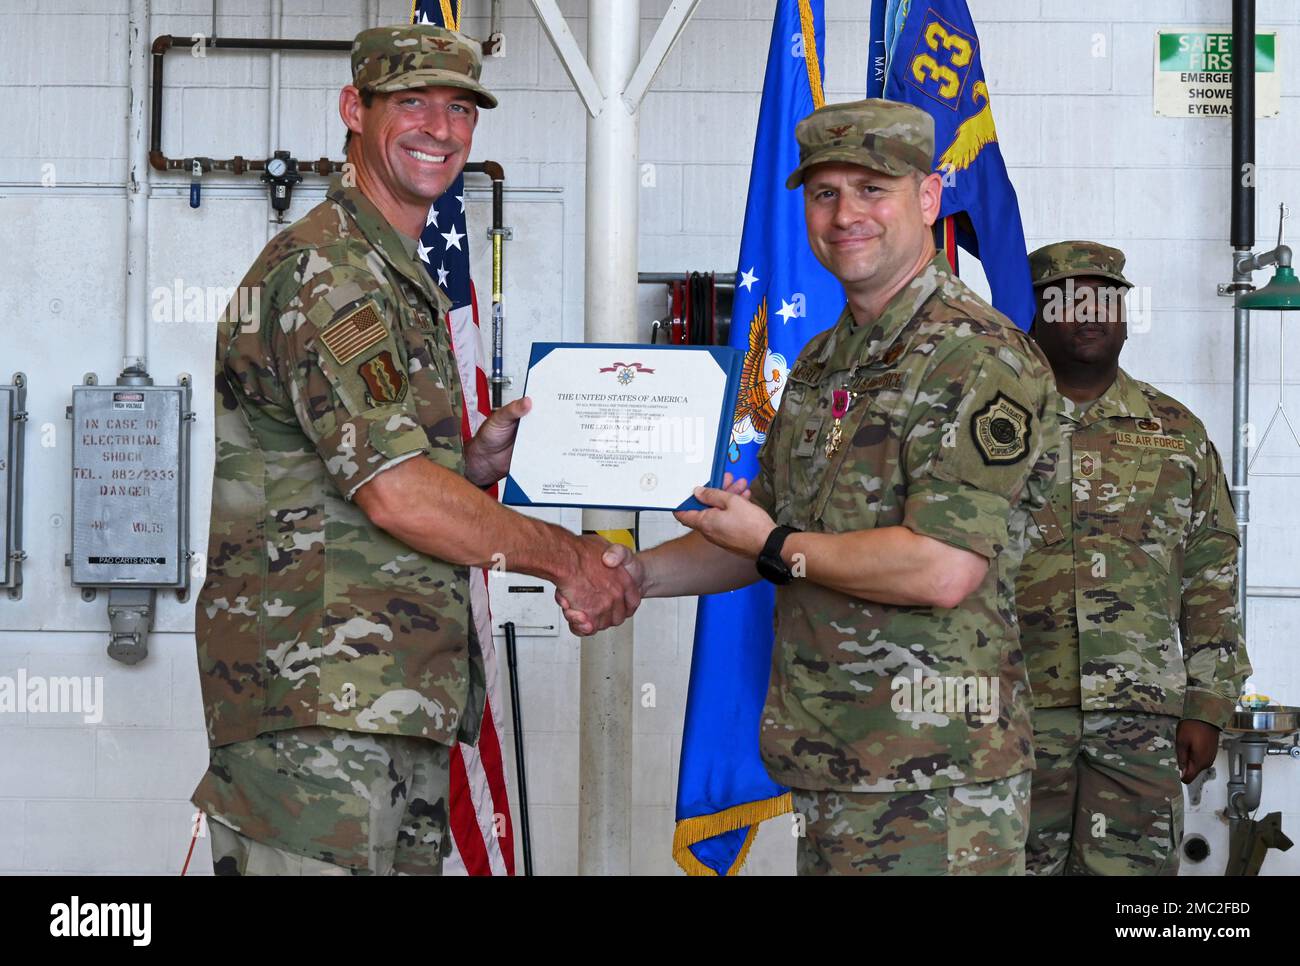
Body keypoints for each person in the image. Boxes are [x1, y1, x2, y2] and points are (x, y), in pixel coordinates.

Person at [564, 99, 1060, 875]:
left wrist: (768, 540)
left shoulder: (976, 356)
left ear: (928, 198)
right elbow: (767, 535)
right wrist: (634, 576)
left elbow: (941, 567)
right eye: (825, 193)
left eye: (872, 189)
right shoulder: (827, 361)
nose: (844, 215)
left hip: (937, 781)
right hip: (834, 765)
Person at [191, 23, 638, 876]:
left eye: (460, 106)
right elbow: (394, 493)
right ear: (354, 109)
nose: (440, 126)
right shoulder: (332, 271)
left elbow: (358, 471)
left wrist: (470, 467)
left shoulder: (391, 271)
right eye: (412, 102)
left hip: (380, 702)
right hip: (321, 714)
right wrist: (572, 561)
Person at [1018, 240, 1252, 875]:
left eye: (1103, 298)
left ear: (1123, 315)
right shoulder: (993, 427)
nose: (1087, 312)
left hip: (1141, 722)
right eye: (1066, 299)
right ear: (1035, 314)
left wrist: (1209, 703)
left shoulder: (1176, 433)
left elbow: (1211, 572)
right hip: (1011, 718)